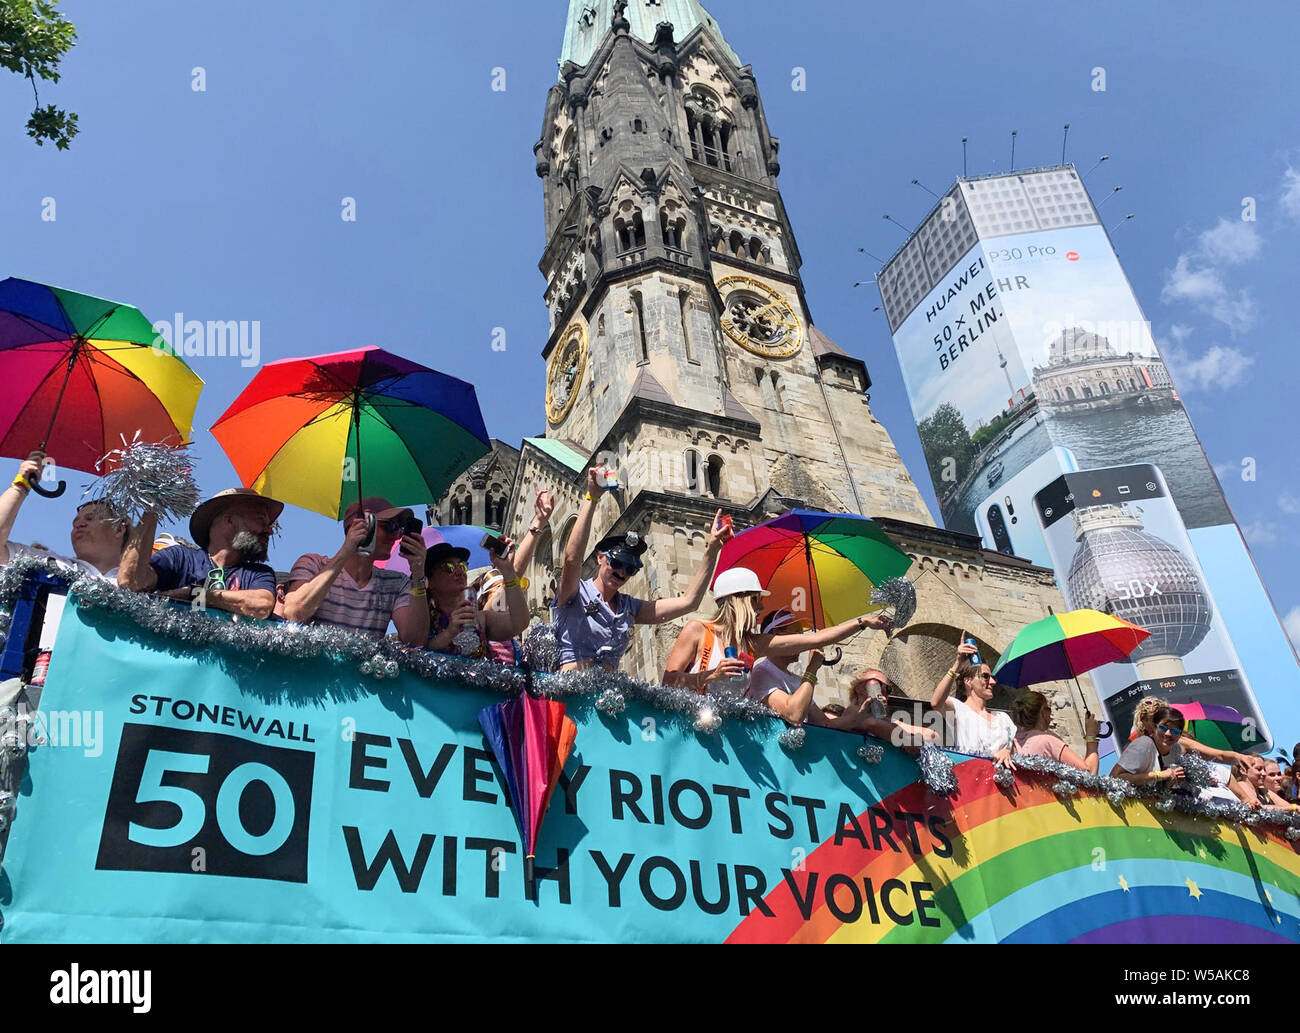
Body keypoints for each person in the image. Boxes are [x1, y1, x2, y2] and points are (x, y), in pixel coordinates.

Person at [551, 465, 735, 671]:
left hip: (604, 694)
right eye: (617, 563)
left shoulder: (629, 608)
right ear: (601, 558)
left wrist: (711, 549)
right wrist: (592, 498)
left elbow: (689, 602)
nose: (622, 572)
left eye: (630, 569)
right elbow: (571, 559)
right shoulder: (575, 593)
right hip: (567, 691)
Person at [662, 570, 895, 691]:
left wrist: (862, 622)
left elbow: (816, 639)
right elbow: (668, 681)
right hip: (691, 727)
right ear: (738, 600)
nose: (761, 607)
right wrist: (710, 675)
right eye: (756, 600)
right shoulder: (698, 631)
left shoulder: (755, 644)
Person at [283, 497, 428, 644]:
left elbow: (415, 641)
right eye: (389, 527)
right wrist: (346, 550)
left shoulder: (397, 583)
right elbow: (293, 613)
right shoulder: (313, 564)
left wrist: (418, 575)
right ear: (359, 526)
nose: (395, 536)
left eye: (399, 530)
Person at [119, 488, 281, 619]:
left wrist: (196, 595)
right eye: (261, 520)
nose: (269, 530)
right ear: (230, 520)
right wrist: (153, 507)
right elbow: (131, 582)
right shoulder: (179, 558)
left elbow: (262, 606)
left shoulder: (258, 574)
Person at [0, 452, 128, 578]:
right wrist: (20, 485)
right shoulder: (53, 565)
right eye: (75, 523)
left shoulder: (142, 583)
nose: (79, 525)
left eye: (90, 518)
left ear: (118, 529)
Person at [426, 540, 528, 656]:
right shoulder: (423, 620)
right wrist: (449, 633)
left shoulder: (480, 619)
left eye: (462, 566)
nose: (459, 571)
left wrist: (508, 572)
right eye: (448, 567)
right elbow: (417, 650)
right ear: (429, 581)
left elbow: (519, 623)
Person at [931, 640, 1017, 766]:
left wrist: (1007, 751)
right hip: (971, 778)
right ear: (968, 681)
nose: (993, 682)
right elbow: (936, 702)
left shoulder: (1003, 718)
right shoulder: (958, 709)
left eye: (993, 677)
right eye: (986, 676)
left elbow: (1017, 751)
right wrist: (957, 665)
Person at [816, 665, 936, 746]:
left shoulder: (887, 720)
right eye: (876, 684)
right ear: (859, 688)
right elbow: (870, 724)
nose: (883, 689)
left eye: (887, 688)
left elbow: (932, 735)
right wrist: (907, 740)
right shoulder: (853, 711)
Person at [1011, 691, 1102, 774]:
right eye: (1048, 708)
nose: (1051, 712)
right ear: (1042, 712)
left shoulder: (1014, 742)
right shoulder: (1047, 740)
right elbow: (1089, 773)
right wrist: (1091, 735)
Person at [1110, 705, 1186, 786]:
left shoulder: (1176, 749)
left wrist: (1173, 780)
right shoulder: (1143, 745)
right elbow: (1114, 777)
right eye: (1163, 728)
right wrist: (1158, 775)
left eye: (1174, 731)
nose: (1168, 734)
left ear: (1180, 735)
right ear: (1154, 727)